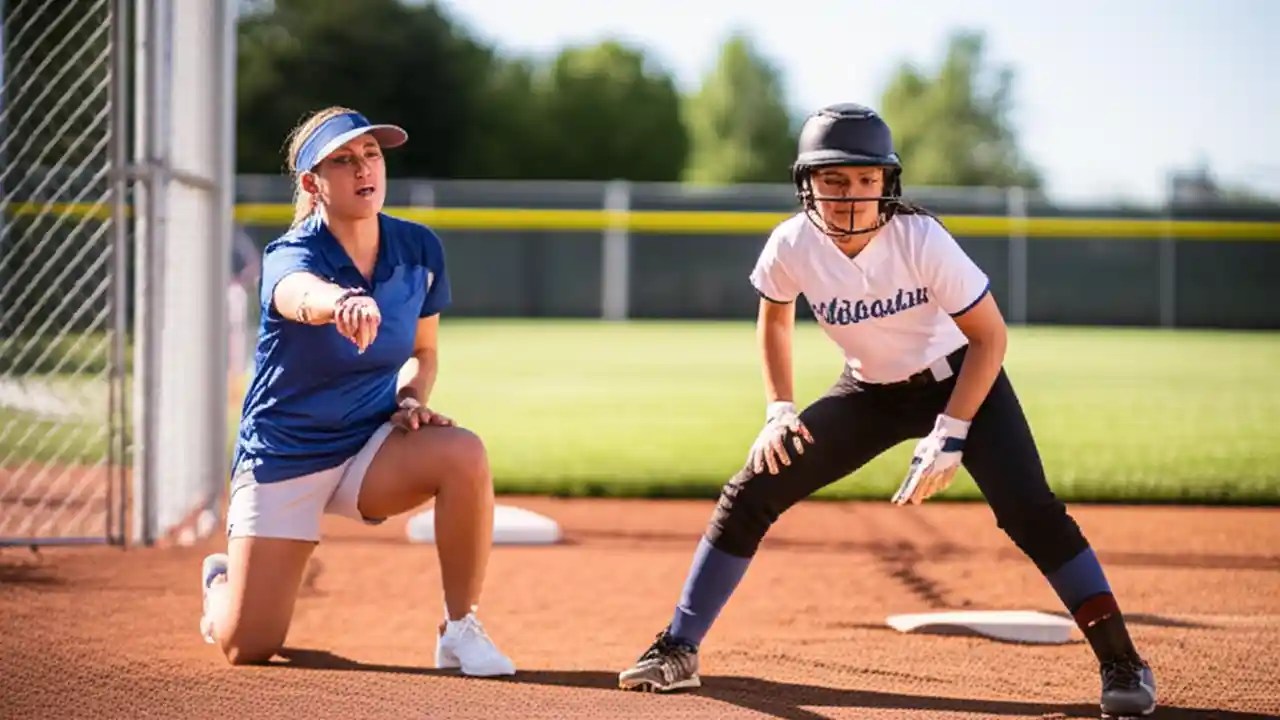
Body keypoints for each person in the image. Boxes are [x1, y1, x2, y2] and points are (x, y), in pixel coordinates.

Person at [616, 103, 1156, 718]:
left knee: (1031, 512)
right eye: (835, 181)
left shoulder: (920, 238)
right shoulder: (792, 244)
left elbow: (991, 338)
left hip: (959, 381)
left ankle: (1123, 661)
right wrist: (778, 410)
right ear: (806, 186)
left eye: (867, 181)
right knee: (752, 490)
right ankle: (680, 647)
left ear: (888, 183)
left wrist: (952, 429)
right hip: (869, 391)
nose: (852, 198)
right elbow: (774, 317)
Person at [197, 106, 515, 677]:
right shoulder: (290, 254)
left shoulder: (419, 249)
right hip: (283, 455)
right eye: (342, 160)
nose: (363, 168)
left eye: (370, 154)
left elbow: (425, 353)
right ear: (313, 184)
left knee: (463, 452)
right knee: (249, 645)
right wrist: (338, 304)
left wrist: (412, 399)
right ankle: (222, 581)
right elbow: (298, 294)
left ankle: (459, 628)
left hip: (367, 446)